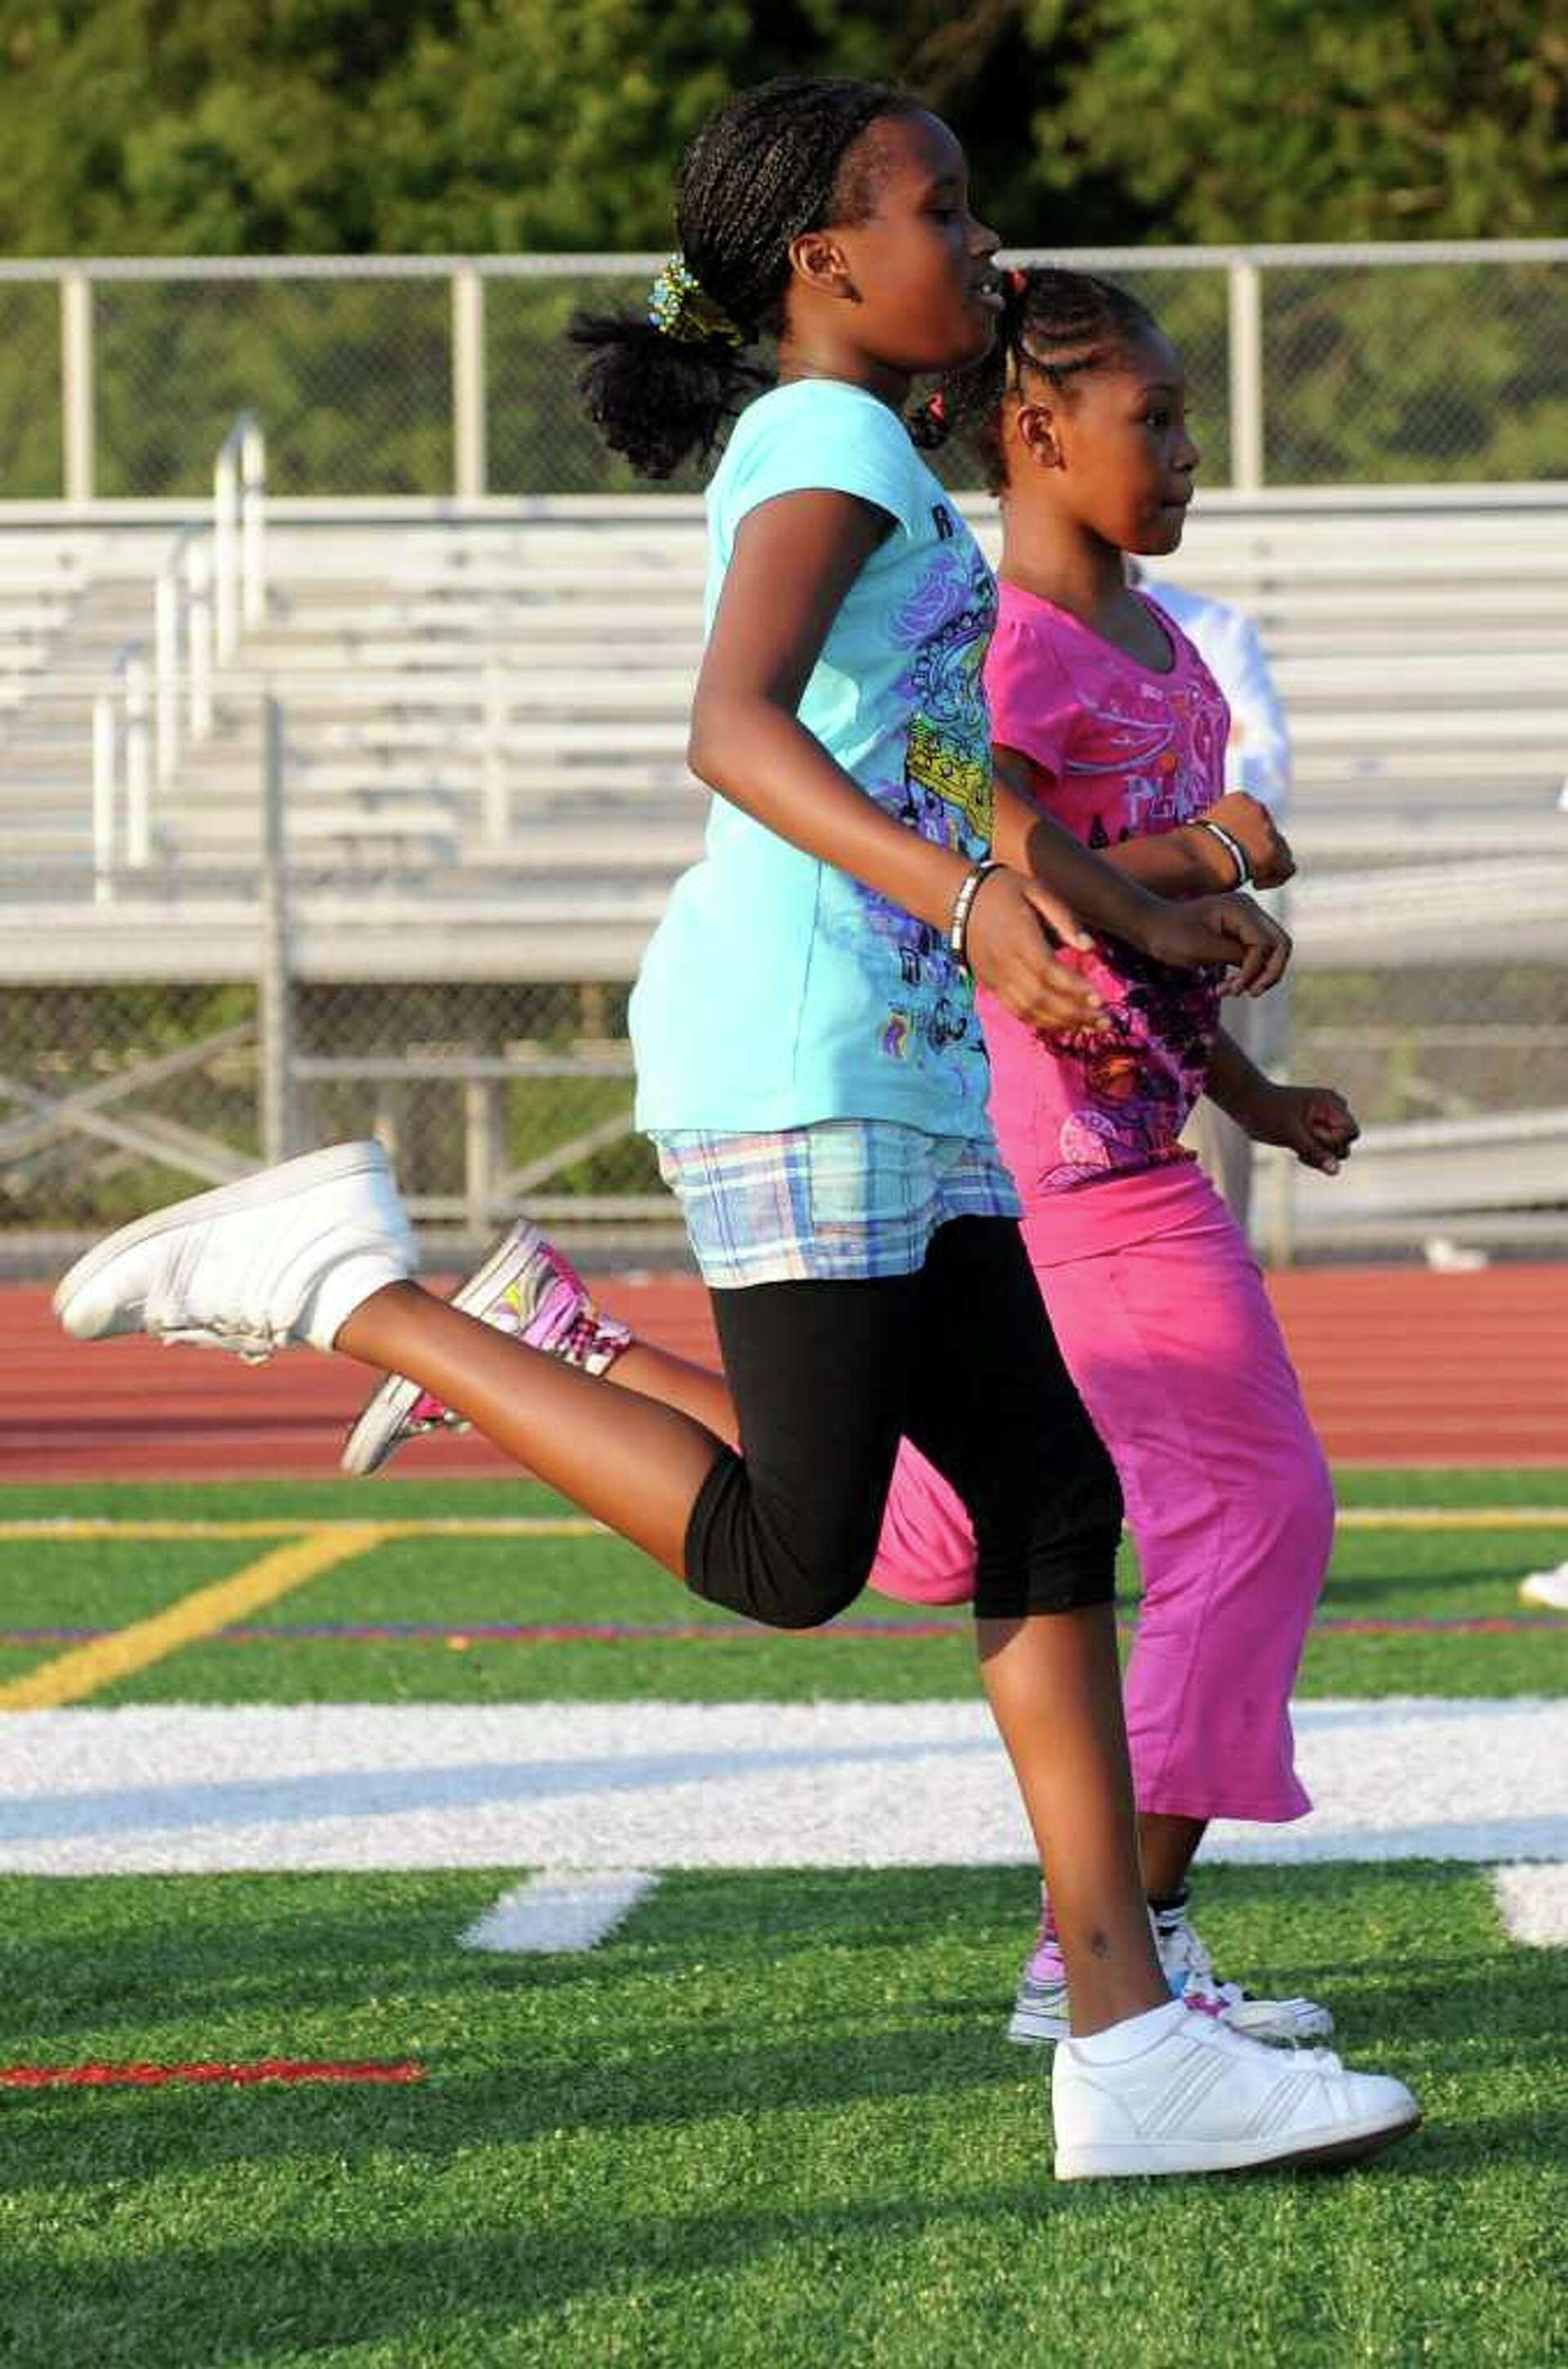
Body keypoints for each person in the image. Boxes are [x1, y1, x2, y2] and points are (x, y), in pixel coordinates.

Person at [55, 82, 1416, 2180]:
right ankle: (361, 1296)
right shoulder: (826, 437)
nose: (977, 238)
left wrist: (1117, 912)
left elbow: (949, 775)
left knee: (1051, 1509)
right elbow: (736, 723)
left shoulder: (877, 446)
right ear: (820, 264)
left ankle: (1127, 2038)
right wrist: (980, 906)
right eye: (935, 206)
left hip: (901, 1068)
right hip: (797, 1054)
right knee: (801, 1552)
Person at [345, 263, 1361, 2061]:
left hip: (982, 1104)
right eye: (939, 210)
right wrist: (1176, 865)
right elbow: (899, 794)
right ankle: (379, 1310)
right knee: (1217, 1510)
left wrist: (1227, 1046)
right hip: (965, 1112)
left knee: (968, 1516)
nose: (1193, 453)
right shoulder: (863, 471)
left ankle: (1119, 1999)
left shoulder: (1075, 594)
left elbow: (1036, 849)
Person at [1134, 561, 1296, 1231]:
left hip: (1207, 910)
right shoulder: (1009, 626)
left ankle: (1225, 1288)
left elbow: (1265, 775)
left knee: (1215, 1138)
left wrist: (1185, 840)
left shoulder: (1211, 628)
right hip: (1076, 922)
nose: (1185, 454)